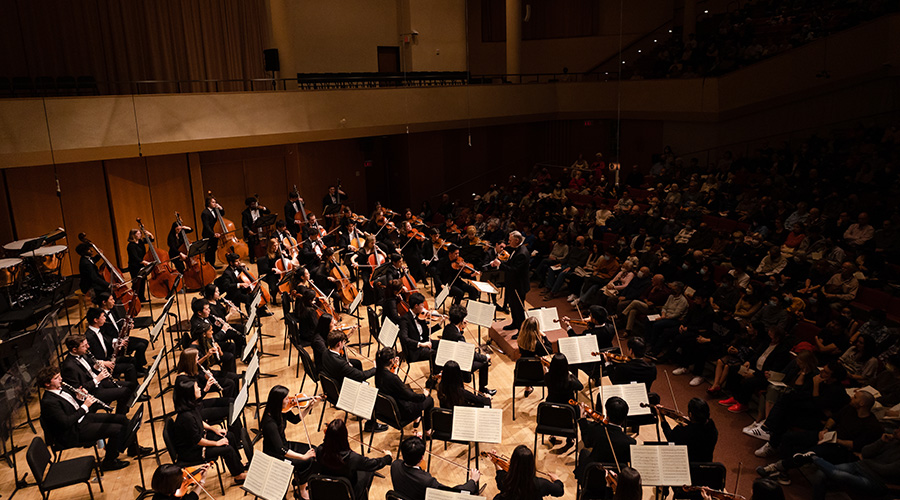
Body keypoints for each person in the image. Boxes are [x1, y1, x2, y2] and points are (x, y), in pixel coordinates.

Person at [37, 366, 133, 471]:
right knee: (117, 430)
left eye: (59, 376)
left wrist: (80, 397)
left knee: (122, 419)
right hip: (73, 432)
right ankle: (109, 461)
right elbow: (66, 422)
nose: (61, 379)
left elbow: (72, 406)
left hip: (83, 419)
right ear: (47, 384)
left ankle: (132, 449)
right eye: (56, 378)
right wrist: (85, 406)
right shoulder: (49, 402)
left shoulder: (62, 388)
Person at [170, 378, 247, 486]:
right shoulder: (186, 417)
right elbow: (198, 441)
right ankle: (238, 475)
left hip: (197, 444)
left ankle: (238, 466)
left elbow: (199, 421)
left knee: (229, 435)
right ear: (190, 394)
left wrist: (214, 430)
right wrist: (216, 443)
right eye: (196, 387)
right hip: (191, 452)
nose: (199, 389)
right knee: (226, 448)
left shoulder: (191, 406)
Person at [804, 427, 900, 500]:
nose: (895, 430)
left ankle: (813, 457)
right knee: (820, 474)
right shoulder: (891, 441)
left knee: (837, 474)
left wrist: (867, 461)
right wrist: (881, 442)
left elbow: (886, 471)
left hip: (875, 480)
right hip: (860, 466)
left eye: (899, 430)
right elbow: (865, 452)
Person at [261, 385, 317, 498]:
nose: (290, 400)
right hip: (276, 455)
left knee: (314, 450)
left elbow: (295, 420)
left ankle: (299, 480)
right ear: (278, 401)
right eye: (286, 398)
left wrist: (309, 407)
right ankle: (301, 490)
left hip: (285, 445)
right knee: (308, 460)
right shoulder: (269, 423)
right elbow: (281, 450)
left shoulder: (282, 410)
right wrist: (303, 457)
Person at [317, 419, 391, 500]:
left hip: (326, 490)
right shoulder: (353, 458)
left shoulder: (319, 450)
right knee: (368, 472)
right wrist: (388, 457)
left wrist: (331, 434)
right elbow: (374, 464)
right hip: (347, 493)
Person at [60, 335, 135, 413]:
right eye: (84, 346)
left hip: (99, 383)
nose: (88, 347)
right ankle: (121, 416)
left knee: (130, 385)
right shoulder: (69, 367)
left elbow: (90, 370)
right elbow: (78, 390)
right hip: (92, 392)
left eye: (87, 344)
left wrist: (97, 367)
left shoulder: (83, 353)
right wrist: (97, 379)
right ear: (74, 349)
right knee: (124, 391)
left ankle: (124, 409)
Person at [390, 436, 480, 500]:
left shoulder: (395, 465)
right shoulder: (427, 481)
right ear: (422, 457)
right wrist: (472, 481)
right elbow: (453, 493)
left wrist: (415, 444)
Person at [374, 347, 435, 435]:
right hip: (403, 412)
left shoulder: (378, 372)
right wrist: (423, 395)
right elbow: (410, 396)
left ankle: (417, 417)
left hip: (387, 411)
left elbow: (393, 385)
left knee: (409, 389)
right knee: (429, 400)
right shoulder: (393, 379)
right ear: (391, 360)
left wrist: (395, 368)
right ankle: (427, 431)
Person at [440, 304, 494, 395]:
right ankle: (482, 390)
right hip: (458, 366)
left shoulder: (447, 328)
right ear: (461, 320)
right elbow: (469, 354)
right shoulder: (459, 337)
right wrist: (485, 357)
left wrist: (461, 329)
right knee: (484, 362)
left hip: (448, 360)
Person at [576, 396, 635, 479]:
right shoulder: (630, 442)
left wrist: (582, 420)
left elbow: (587, 443)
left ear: (607, 413)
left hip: (594, 475)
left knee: (584, 452)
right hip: (616, 478)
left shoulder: (596, 430)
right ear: (625, 417)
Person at [95, 292, 149, 372]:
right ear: (104, 302)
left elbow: (119, 323)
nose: (114, 301)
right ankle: (138, 368)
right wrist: (116, 341)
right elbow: (102, 335)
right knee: (140, 345)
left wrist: (128, 326)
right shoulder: (100, 317)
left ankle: (139, 365)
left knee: (145, 342)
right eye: (111, 300)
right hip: (113, 344)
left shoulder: (112, 310)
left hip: (121, 338)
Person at [83, 306, 138, 384]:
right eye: (103, 316)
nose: (105, 318)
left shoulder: (99, 329)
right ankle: (133, 387)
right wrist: (104, 363)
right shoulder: (88, 337)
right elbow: (88, 357)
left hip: (108, 358)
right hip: (101, 366)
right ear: (95, 320)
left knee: (132, 360)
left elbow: (107, 340)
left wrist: (117, 343)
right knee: (130, 367)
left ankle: (133, 382)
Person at [490, 231, 530, 331]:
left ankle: (521, 330)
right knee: (512, 306)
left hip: (519, 285)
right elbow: (510, 262)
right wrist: (499, 262)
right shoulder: (515, 249)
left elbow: (514, 270)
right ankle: (515, 323)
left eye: (510, 240)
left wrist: (500, 265)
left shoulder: (522, 253)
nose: (508, 242)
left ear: (517, 240)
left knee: (519, 309)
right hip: (512, 283)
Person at [493, 445, 564, 500]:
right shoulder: (541, 484)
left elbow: (499, 476)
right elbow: (559, 491)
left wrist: (496, 462)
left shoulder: (505, 479)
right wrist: (557, 480)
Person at [658, 398, 718, 462]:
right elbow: (699, 428)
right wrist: (691, 423)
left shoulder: (683, 431)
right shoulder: (712, 427)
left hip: (689, 464)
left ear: (690, 414)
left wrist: (662, 418)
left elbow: (670, 437)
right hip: (706, 464)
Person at [544, 353, 583, 450]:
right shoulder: (570, 380)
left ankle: (552, 434)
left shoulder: (548, 377)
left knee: (555, 412)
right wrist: (571, 374)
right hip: (569, 410)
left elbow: (547, 376)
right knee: (577, 409)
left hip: (551, 410)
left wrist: (545, 369)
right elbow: (580, 386)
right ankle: (570, 437)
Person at [397, 292, 442, 364]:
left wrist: (440, 323)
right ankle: (435, 370)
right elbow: (404, 338)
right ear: (416, 306)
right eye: (422, 305)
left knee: (442, 344)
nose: (424, 307)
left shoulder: (420, 315)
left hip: (424, 341)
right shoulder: (404, 320)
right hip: (415, 350)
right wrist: (420, 344)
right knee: (434, 353)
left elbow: (426, 332)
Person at [516, 316, 553, 397]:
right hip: (538, 374)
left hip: (522, 373)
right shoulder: (538, 345)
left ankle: (527, 388)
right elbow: (550, 350)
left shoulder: (520, 340)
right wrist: (544, 336)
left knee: (527, 363)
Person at [240, 196, 270, 264]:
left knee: (264, 242)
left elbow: (268, 212)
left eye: (255, 203)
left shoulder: (259, 209)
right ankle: (252, 258)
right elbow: (244, 224)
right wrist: (249, 231)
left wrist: (263, 208)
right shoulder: (245, 213)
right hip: (252, 230)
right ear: (248, 205)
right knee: (252, 244)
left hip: (261, 228)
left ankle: (264, 255)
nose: (254, 205)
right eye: (252, 204)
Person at [125, 227, 152, 302]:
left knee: (142, 282)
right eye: (138, 234)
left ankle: (141, 298)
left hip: (141, 265)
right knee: (136, 283)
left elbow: (151, 240)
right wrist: (144, 262)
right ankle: (135, 300)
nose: (140, 235)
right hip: (134, 266)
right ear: (133, 235)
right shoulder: (131, 246)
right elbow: (135, 257)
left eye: (140, 233)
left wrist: (150, 234)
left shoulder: (140, 242)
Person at [200, 196, 224, 268]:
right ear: (208, 203)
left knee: (213, 250)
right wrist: (213, 234)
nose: (215, 204)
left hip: (215, 233)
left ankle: (212, 265)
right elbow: (206, 226)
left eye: (215, 202)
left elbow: (222, 214)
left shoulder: (215, 210)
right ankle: (208, 267)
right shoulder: (205, 213)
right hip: (208, 234)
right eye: (213, 202)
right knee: (208, 251)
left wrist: (220, 208)